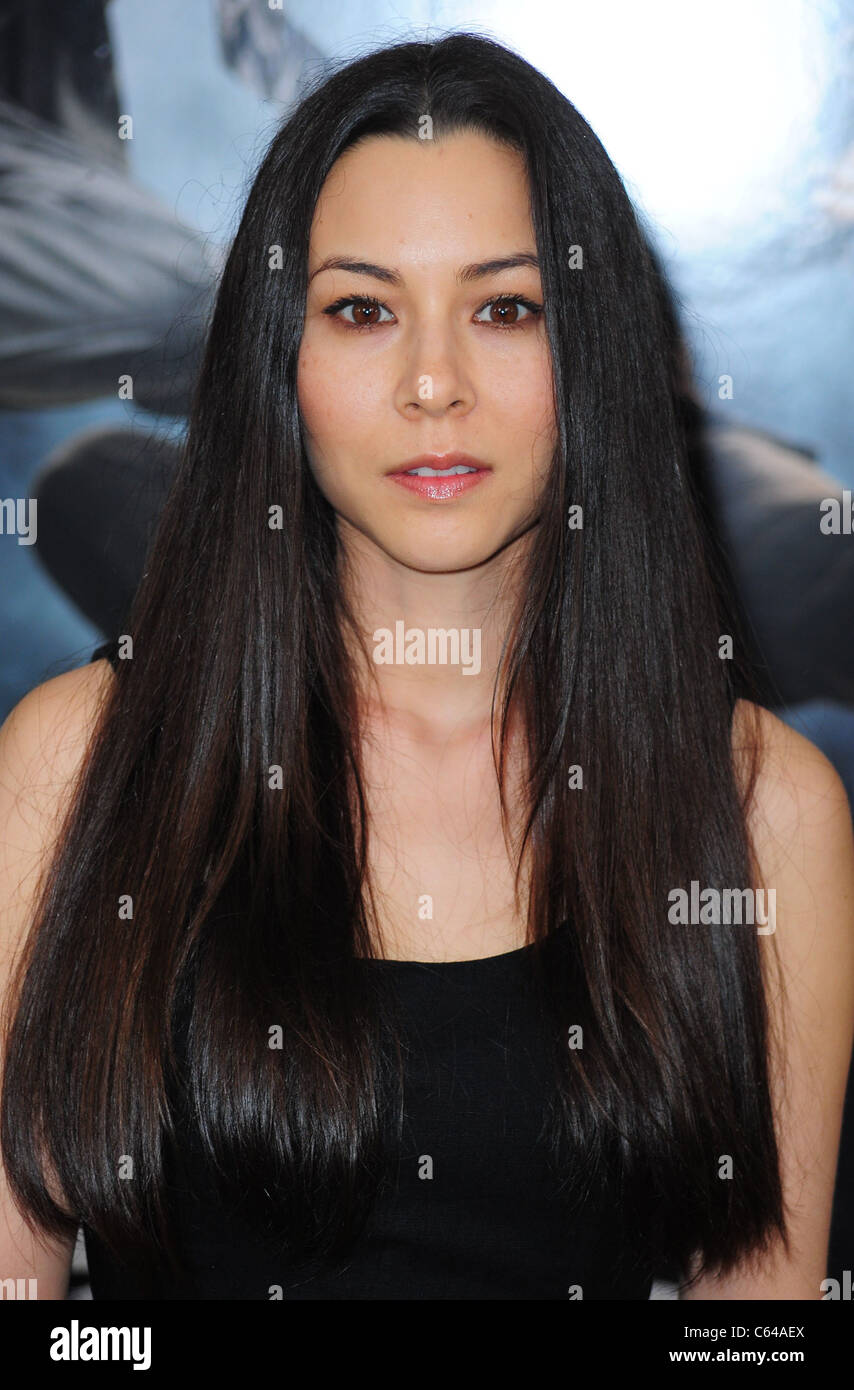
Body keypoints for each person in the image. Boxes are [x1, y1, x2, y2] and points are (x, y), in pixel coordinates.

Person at [1, 31, 853, 1302]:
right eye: (361, 309)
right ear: (274, 355)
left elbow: (750, 1320)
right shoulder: (74, 764)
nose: (432, 383)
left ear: (594, 353)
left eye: (504, 308)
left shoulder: (755, 809)